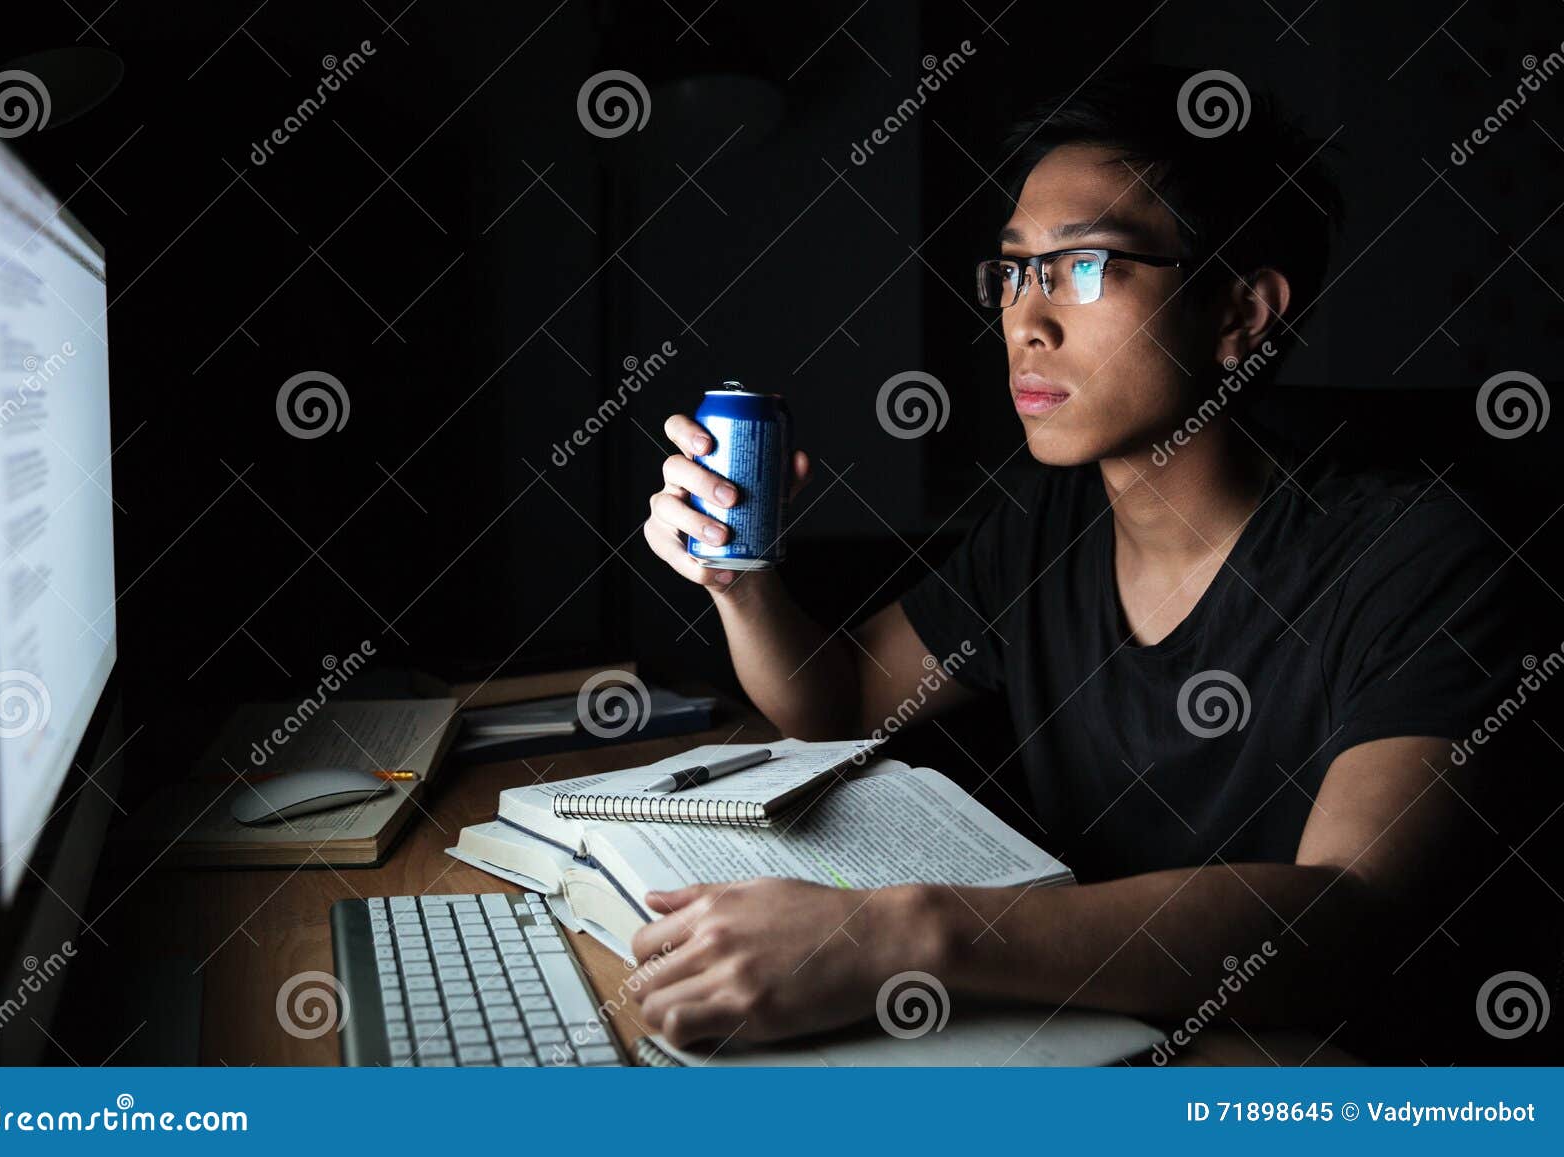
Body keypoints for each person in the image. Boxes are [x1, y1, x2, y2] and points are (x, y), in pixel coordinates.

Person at [632, 63, 1518, 1054]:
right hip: (1091, 1041)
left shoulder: (1420, 558)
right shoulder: (1048, 522)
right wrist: (741, 584)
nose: (1026, 318)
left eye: (1084, 267)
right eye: (1013, 271)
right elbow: (839, 698)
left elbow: (1344, 923)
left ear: (1240, 315)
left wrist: (906, 934)